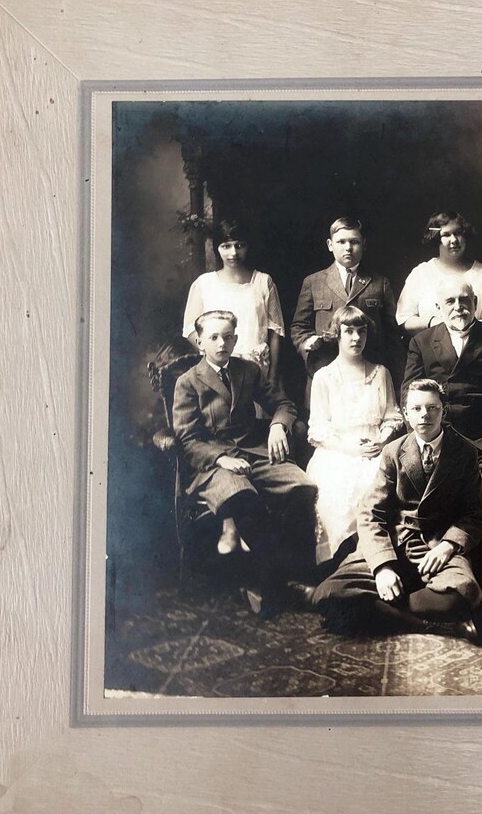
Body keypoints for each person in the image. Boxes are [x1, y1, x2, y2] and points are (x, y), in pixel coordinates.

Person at [311, 379, 482, 645]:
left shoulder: (464, 452)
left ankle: (384, 609)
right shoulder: (393, 452)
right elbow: (370, 513)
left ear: (443, 411)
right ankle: (437, 626)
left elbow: (474, 513)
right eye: (416, 409)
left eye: (432, 408)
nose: (425, 415)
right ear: (406, 413)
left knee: (463, 593)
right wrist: (382, 568)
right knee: (331, 593)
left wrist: (448, 546)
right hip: (395, 543)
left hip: (436, 547)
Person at [173, 310, 317, 617]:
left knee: (303, 486)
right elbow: (188, 440)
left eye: (227, 337)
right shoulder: (188, 382)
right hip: (212, 465)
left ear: (236, 339)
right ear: (200, 342)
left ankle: (301, 575)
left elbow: (283, 403)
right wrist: (221, 458)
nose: (221, 344)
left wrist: (278, 425)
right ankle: (271, 585)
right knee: (242, 495)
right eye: (213, 337)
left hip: (254, 452)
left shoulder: (248, 370)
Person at [402, 278, 482, 595]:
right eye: (451, 301)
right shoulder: (422, 342)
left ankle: (479, 567)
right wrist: (424, 435)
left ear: (475, 303)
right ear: (439, 307)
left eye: (464, 300)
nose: (459, 307)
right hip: (437, 433)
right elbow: (409, 391)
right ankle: (436, 567)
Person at [305, 307, 402, 565]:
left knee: (378, 487)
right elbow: (319, 427)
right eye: (349, 331)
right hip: (336, 452)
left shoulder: (380, 373)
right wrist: (352, 450)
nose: (356, 338)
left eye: (361, 331)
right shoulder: (324, 377)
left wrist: (381, 440)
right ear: (337, 334)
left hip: (376, 450)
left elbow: (392, 416)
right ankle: (340, 562)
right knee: (334, 490)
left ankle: (373, 561)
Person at [290, 216, 404, 392]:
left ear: (364, 244)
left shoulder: (380, 283)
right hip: (325, 373)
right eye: (341, 242)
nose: (348, 248)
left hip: (369, 375)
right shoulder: (314, 282)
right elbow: (298, 327)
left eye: (354, 242)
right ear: (330, 245)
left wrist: (396, 380)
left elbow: (393, 335)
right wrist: (307, 342)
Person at [183, 220, 285, 381]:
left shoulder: (263, 281)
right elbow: (190, 329)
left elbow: (275, 332)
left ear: (247, 247)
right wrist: (215, 352)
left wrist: (272, 377)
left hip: (256, 370)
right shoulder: (204, 284)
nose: (234, 253)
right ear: (217, 248)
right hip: (218, 369)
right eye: (226, 246)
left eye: (239, 245)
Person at [396, 211, 482, 334]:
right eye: (446, 235)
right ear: (436, 238)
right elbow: (404, 319)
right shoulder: (421, 274)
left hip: (477, 343)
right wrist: (434, 323)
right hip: (431, 343)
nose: (454, 240)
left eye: (458, 233)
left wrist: (473, 328)